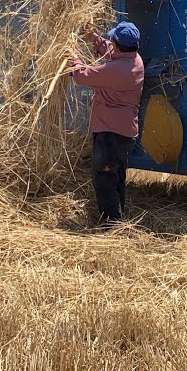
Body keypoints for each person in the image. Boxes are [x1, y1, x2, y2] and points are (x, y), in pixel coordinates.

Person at [68, 21, 144, 226]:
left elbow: (80, 76)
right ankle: (117, 220)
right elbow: (110, 51)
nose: (110, 44)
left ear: (119, 45)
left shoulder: (117, 70)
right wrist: (93, 37)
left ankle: (112, 226)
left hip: (111, 134)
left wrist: (72, 56)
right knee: (116, 179)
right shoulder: (134, 60)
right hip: (124, 132)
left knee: (104, 180)